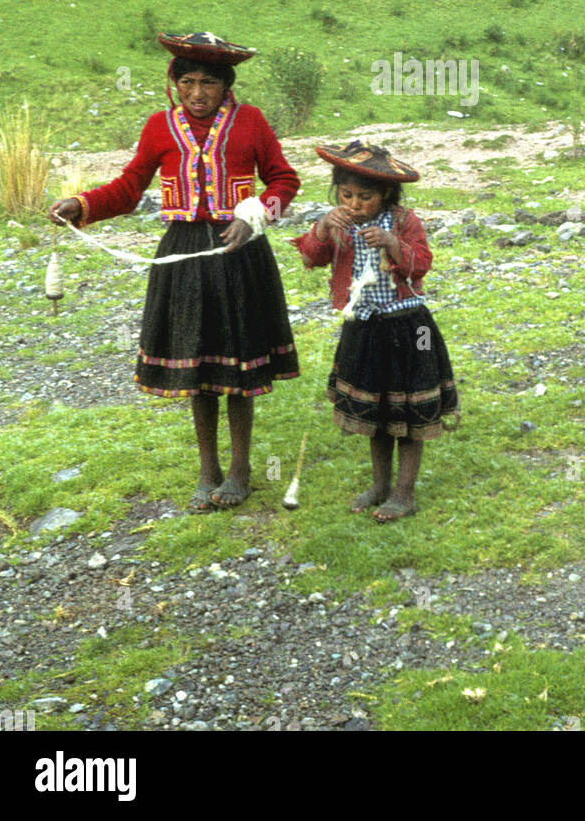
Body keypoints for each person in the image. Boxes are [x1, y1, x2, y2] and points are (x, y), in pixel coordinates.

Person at [48, 31, 300, 512]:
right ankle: (208, 471)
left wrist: (254, 216)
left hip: (239, 253)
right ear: (175, 84)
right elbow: (128, 187)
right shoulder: (159, 128)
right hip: (183, 254)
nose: (198, 92)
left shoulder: (250, 123)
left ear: (226, 86)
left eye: (208, 82)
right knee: (197, 363)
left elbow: (284, 180)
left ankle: (242, 470)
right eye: (188, 82)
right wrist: (80, 205)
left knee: (238, 366)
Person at [291, 140, 458, 522]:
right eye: (346, 194)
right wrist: (320, 230)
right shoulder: (337, 223)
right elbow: (308, 257)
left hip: (411, 327)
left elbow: (422, 263)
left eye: (364, 197)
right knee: (378, 411)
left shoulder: (403, 221)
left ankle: (404, 493)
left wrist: (391, 243)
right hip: (364, 328)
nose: (354, 204)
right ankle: (380, 486)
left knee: (412, 413)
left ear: (385, 193)